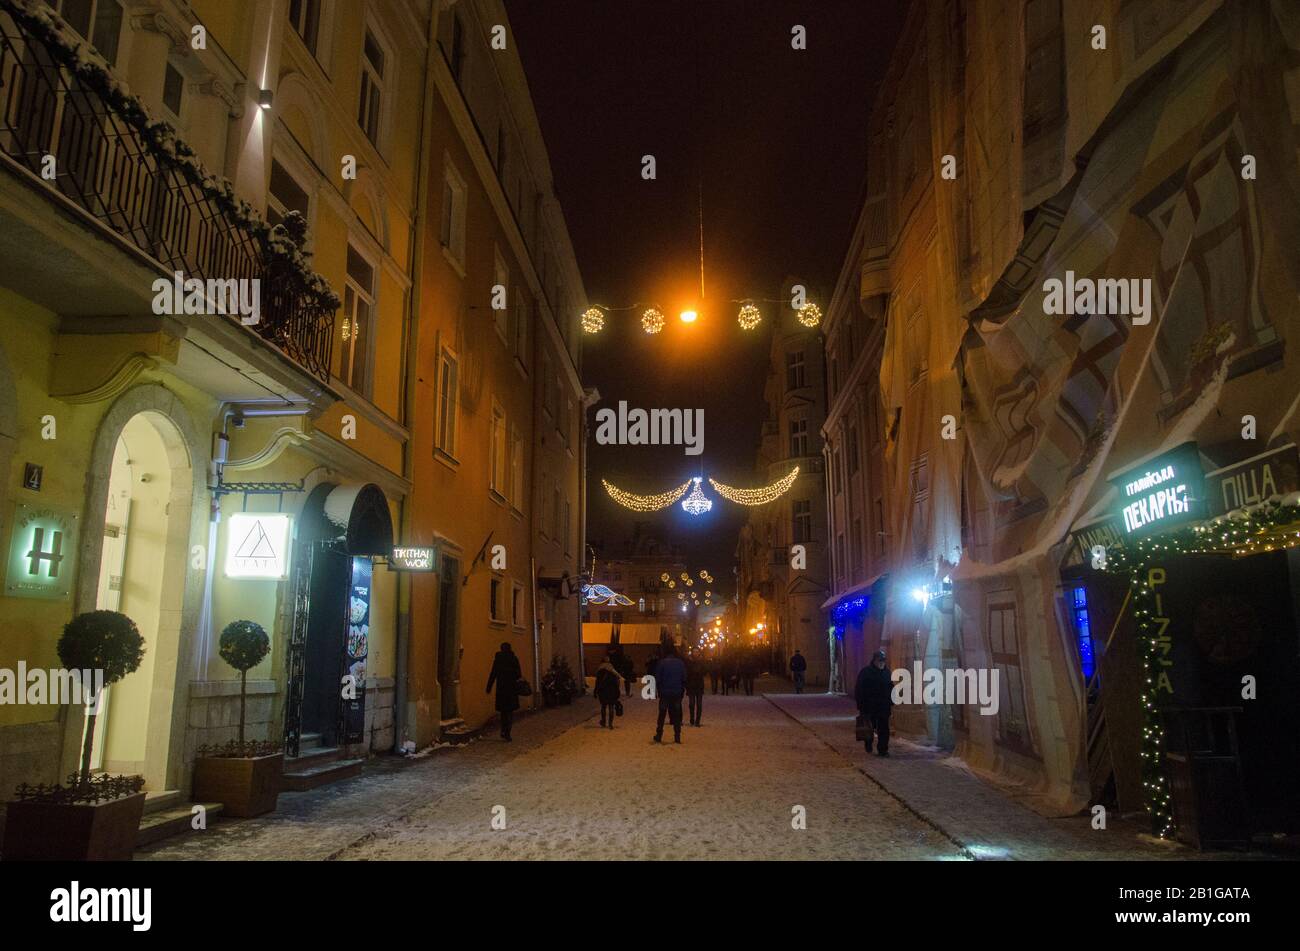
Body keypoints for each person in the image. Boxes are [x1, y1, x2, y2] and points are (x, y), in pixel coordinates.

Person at [854, 649, 894, 757]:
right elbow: (859, 689)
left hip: (883, 707)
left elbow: (891, 688)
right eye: (879, 660)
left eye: (883, 660)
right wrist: (861, 705)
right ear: (874, 660)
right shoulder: (866, 672)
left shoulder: (887, 673)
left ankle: (883, 750)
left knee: (884, 729)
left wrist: (891, 702)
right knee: (869, 727)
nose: (881, 663)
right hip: (869, 706)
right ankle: (868, 742)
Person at [486, 641, 523, 742]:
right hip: (511, 688)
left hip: (501, 688)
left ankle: (503, 730)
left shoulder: (498, 660)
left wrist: (489, 686)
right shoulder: (514, 659)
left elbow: (493, 673)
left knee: (503, 711)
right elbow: (519, 674)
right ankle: (508, 732)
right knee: (510, 712)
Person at [652, 643, 687, 744]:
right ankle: (677, 736)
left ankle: (659, 734)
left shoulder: (662, 663)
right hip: (676, 692)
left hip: (664, 692)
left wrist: (659, 690)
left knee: (662, 714)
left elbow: (657, 678)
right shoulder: (680, 663)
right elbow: (684, 677)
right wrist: (681, 689)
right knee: (676, 714)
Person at [594, 651, 622, 729]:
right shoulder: (613, 670)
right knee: (611, 707)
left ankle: (603, 721)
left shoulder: (600, 670)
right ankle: (610, 724)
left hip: (603, 691)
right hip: (612, 691)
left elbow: (597, 682)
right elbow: (617, 682)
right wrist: (617, 692)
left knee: (603, 706)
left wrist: (596, 691)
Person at [685, 651, 706, 727]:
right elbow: (687, 673)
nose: (696, 653)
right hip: (691, 686)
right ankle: (692, 719)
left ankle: (697, 721)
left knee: (699, 705)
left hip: (699, 686)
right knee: (691, 704)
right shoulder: (689, 662)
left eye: (697, 652)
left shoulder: (701, 662)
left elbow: (704, 672)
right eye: (695, 652)